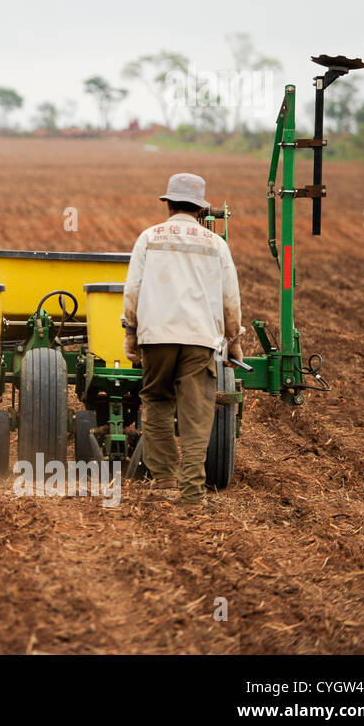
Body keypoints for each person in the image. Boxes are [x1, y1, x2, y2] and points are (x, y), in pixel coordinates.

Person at [122, 173, 242, 506]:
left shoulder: (149, 238)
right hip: (199, 338)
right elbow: (229, 297)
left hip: (155, 335)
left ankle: (162, 480)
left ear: (169, 204)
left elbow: (132, 290)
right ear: (201, 209)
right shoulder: (216, 244)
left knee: (157, 401)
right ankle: (191, 493)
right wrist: (234, 340)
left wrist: (130, 332)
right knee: (196, 412)